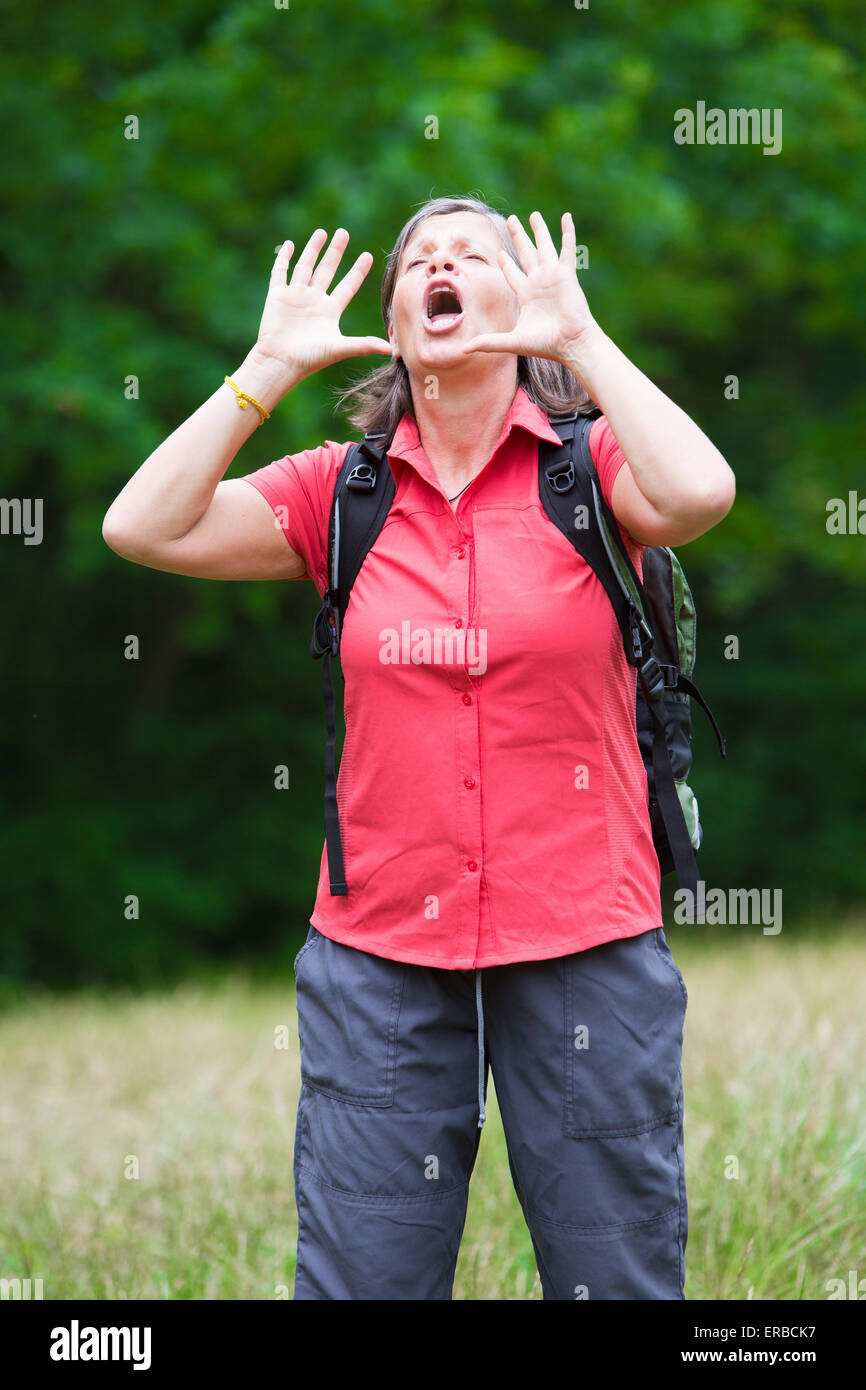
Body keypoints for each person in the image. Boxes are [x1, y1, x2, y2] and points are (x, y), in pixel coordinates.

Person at [103, 194, 735, 1300]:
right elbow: (141, 525)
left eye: (470, 254)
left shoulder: (590, 476)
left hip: (585, 935)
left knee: (616, 1278)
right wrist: (262, 370)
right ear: (396, 320)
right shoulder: (336, 492)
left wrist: (580, 340)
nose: (438, 266)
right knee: (364, 1283)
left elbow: (700, 492)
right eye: (416, 261)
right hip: (380, 958)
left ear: (517, 300)